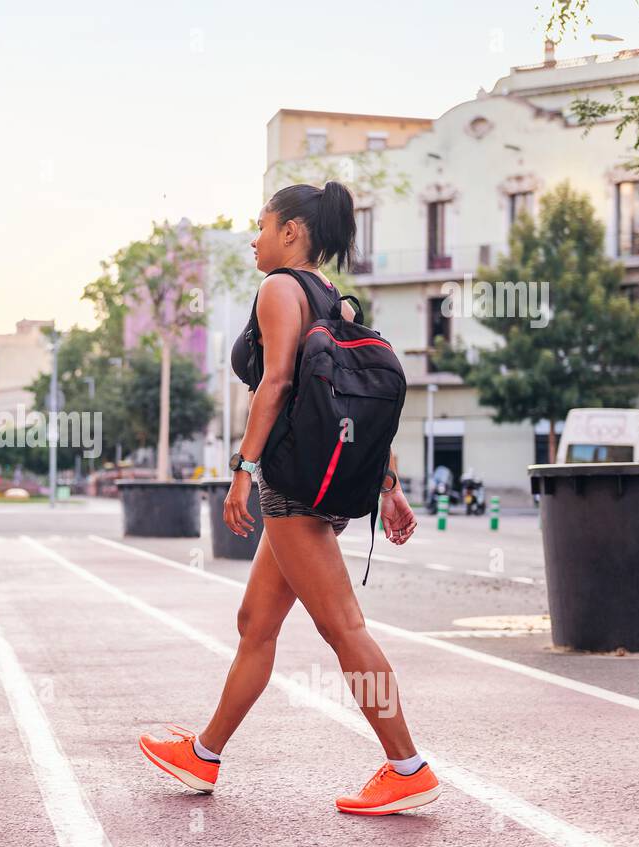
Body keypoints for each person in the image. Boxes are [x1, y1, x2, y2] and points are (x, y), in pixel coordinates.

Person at [138, 182, 441, 815]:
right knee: (256, 624)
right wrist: (388, 485)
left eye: (261, 225)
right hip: (315, 485)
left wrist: (243, 467)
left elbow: (274, 384)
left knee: (344, 628)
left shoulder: (279, 289)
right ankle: (205, 754)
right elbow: (354, 402)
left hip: (291, 489)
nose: (254, 237)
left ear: (293, 232)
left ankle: (406, 765)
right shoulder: (338, 302)